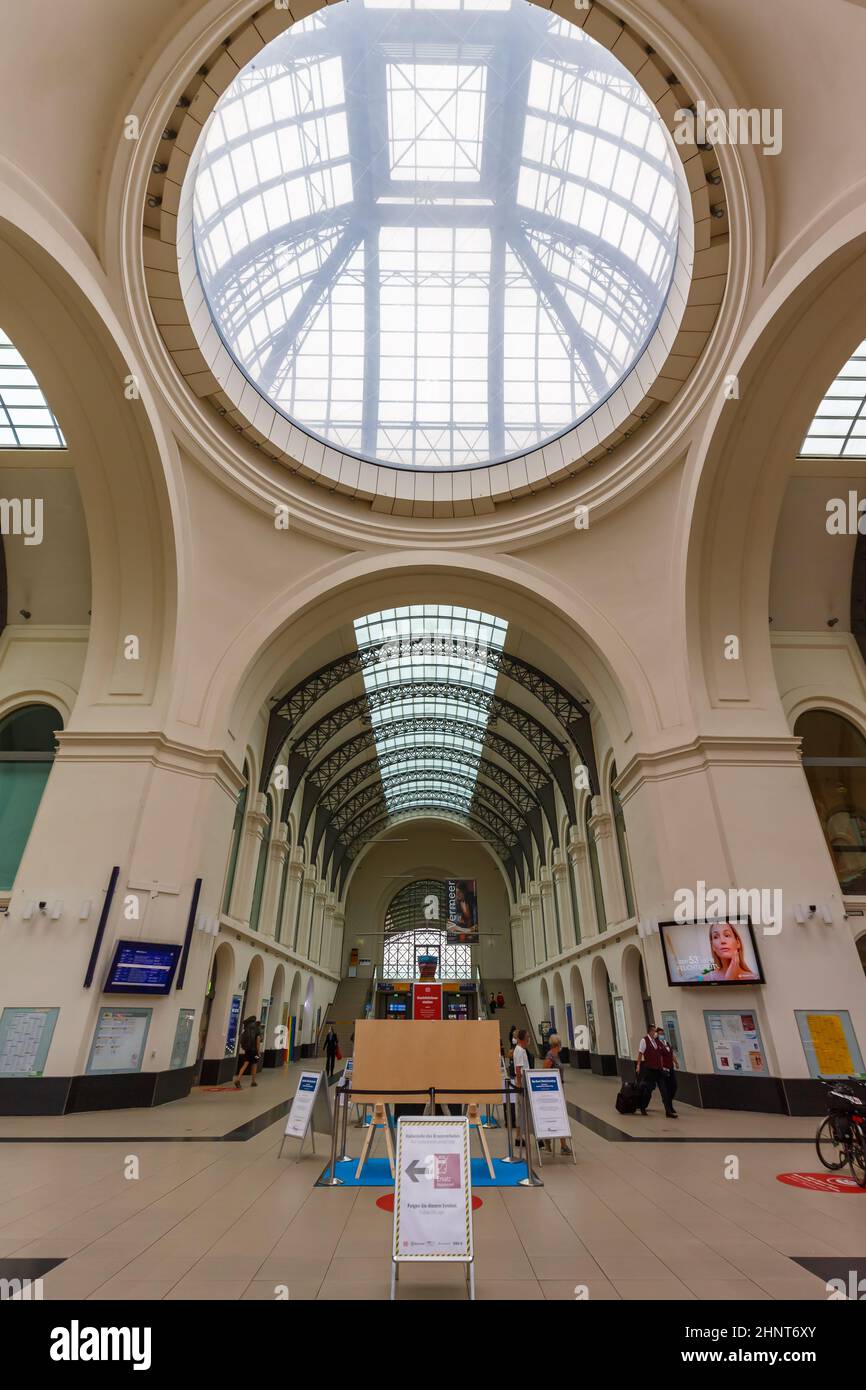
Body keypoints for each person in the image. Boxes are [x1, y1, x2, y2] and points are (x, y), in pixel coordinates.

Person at [540, 1035, 573, 1156]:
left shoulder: (556, 1055)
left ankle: (560, 1144)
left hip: (559, 1089)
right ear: (558, 1044)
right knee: (556, 1117)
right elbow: (544, 1073)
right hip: (553, 1092)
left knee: (560, 1117)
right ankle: (554, 1143)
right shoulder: (550, 1056)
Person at [635, 1024, 677, 1117]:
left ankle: (668, 1111)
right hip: (650, 1070)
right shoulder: (644, 1040)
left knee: (664, 1090)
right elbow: (640, 1053)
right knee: (648, 1090)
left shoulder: (656, 1042)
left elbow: (660, 1055)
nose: (655, 1033)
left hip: (659, 1070)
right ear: (650, 1031)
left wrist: (662, 1066)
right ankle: (642, 1106)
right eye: (654, 1031)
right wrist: (638, 1065)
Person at [512, 1027, 531, 1147]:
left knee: (522, 1110)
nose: (529, 1039)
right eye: (528, 1037)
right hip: (522, 1082)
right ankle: (519, 1136)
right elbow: (518, 1068)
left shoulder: (521, 1050)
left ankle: (519, 1136)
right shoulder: (519, 1050)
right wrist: (519, 1084)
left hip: (523, 1080)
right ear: (523, 1038)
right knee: (523, 1109)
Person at [234, 1015, 262, 1089]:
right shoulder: (257, 1028)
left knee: (245, 1063)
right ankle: (253, 1081)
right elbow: (258, 1041)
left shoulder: (246, 1028)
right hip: (255, 1051)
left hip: (248, 1050)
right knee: (255, 1064)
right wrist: (258, 1052)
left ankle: (238, 1079)